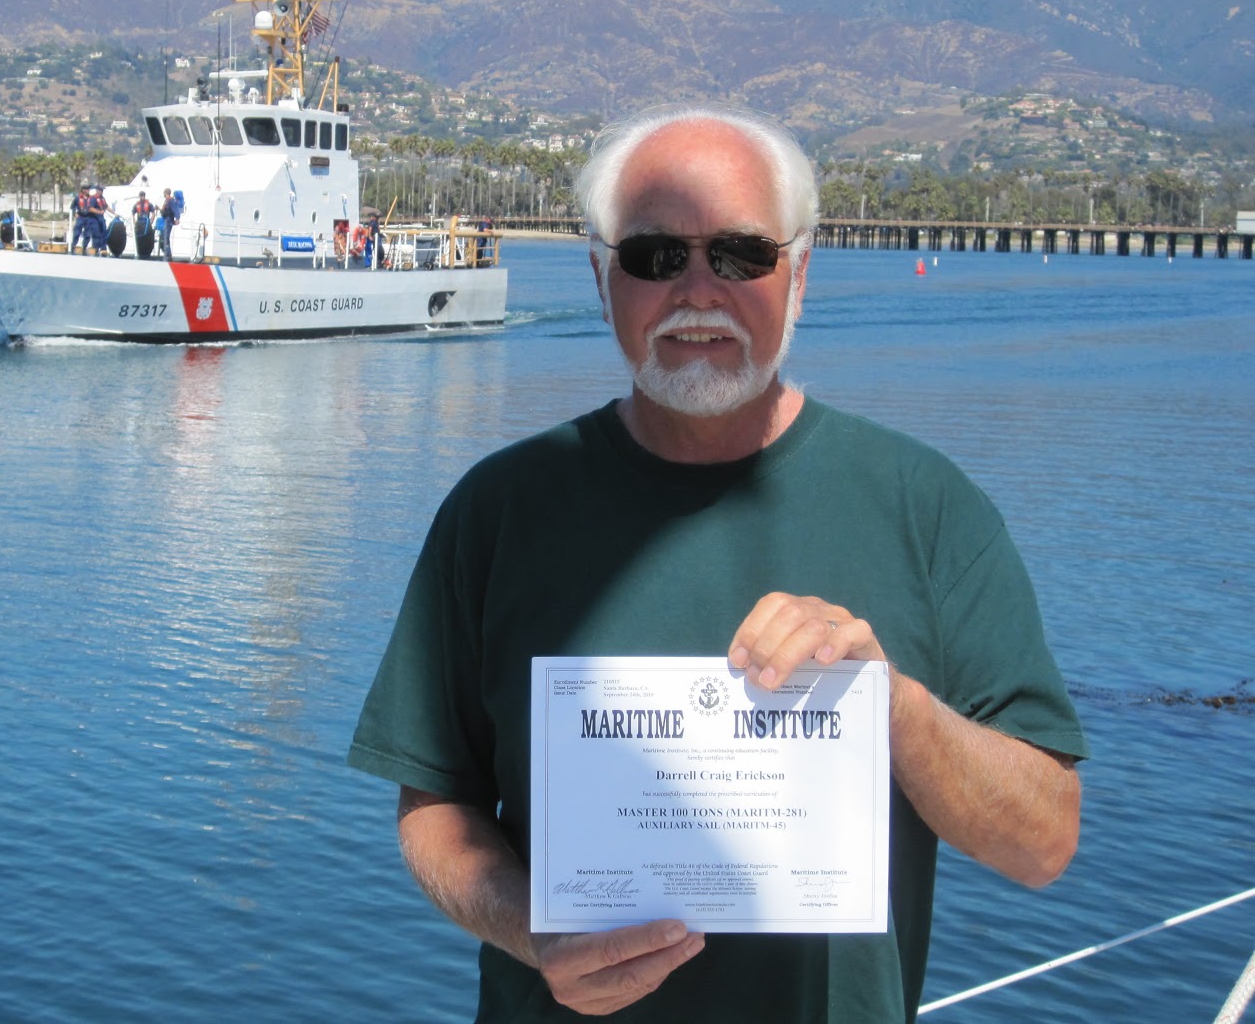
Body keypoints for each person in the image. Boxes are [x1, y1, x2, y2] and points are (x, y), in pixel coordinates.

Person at [348, 103, 1087, 1023]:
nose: (699, 291)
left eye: (741, 255)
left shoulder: (928, 509)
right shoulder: (496, 511)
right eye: (656, 257)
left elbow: (1043, 840)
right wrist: (531, 930)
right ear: (600, 275)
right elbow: (435, 807)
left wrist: (889, 704)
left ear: (801, 273)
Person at [132, 191, 156, 259]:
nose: (142, 197)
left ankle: (147, 251)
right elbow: (132, 213)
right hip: (139, 223)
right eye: (141, 195)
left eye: (143, 195)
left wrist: (151, 221)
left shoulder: (149, 204)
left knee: (148, 236)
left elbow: (153, 213)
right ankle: (139, 251)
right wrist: (134, 222)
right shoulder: (136, 205)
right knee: (138, 237)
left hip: (146, 222)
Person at [158, 186, 178, 261]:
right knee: (163, 236)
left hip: (168, 221)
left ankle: (168, 254)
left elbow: (175, 210)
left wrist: (177, 218)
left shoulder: (170, 201)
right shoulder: (167, 201)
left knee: (166, 236)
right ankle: (166, 252)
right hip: (165, 220)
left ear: (166, 193)